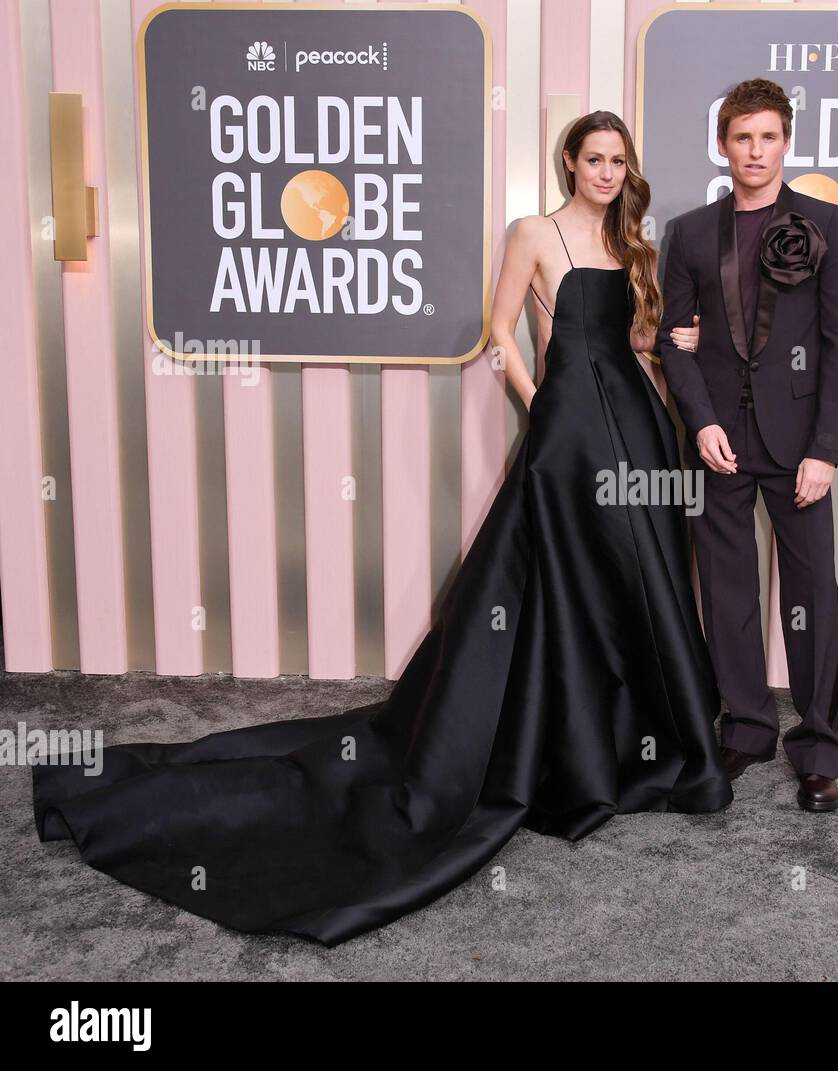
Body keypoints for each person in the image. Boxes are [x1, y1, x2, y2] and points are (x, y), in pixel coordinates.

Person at [30, 111, 732, 948]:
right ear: (569, 163)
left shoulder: (630, 243)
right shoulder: (533, 233)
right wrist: (537, 402)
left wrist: (670, 340)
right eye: (594, 159)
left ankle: (632, 744)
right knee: (564, 582)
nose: (608, 172)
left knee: (637, 581)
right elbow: (501, 331)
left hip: (638, 426)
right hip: (570, 430)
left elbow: (635, 341)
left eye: (619, 161)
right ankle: (564, 752)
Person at [655, 79, 838, 812]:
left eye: (768, 136)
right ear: (723, 144)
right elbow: (672, 339)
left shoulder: (826, 225)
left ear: (785, 142)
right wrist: (701, 419)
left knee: (811, 592)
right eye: (742, 137)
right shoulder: (687, 233)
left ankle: (817, 747)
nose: (755, 150)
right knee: (729, 587)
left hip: (800, 440)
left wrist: (826, 448)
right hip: (718, 440)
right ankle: (745, 724)